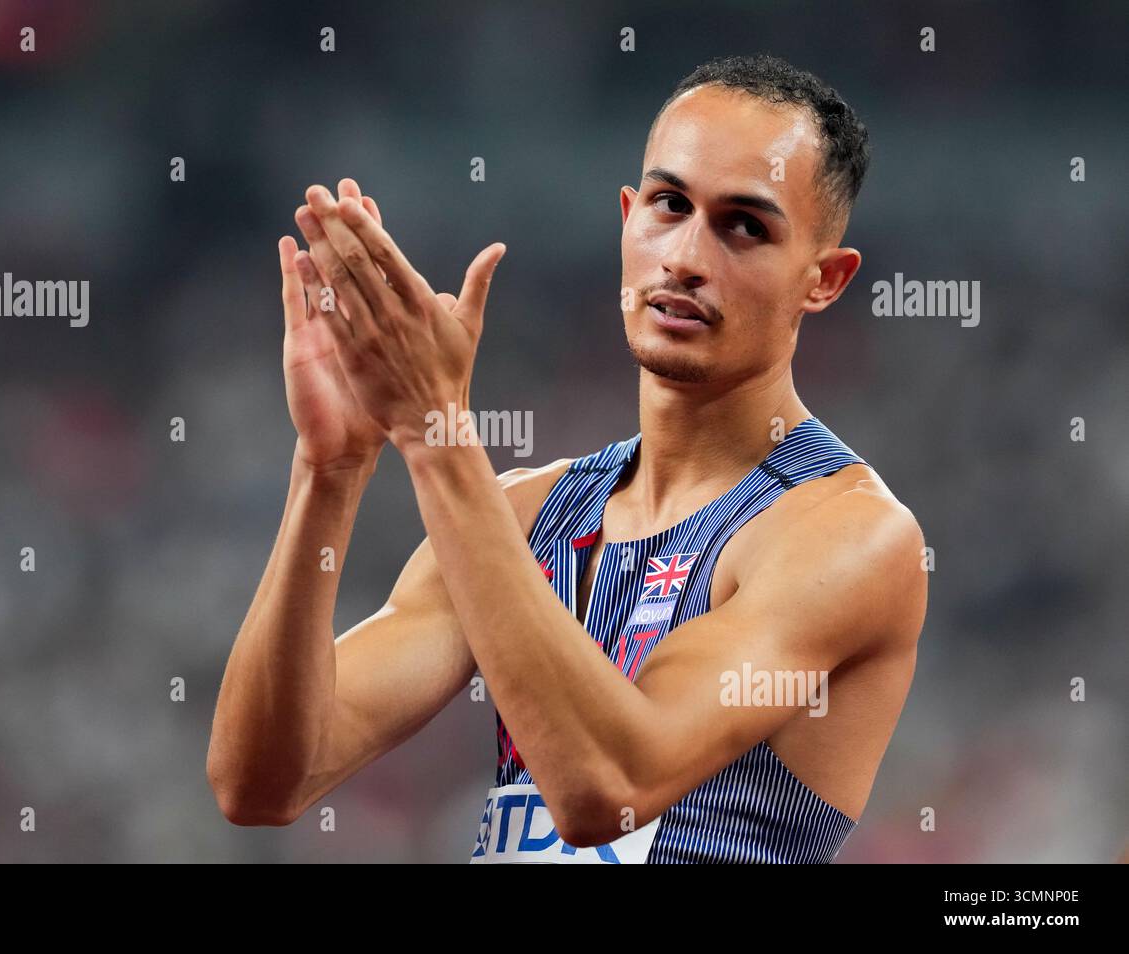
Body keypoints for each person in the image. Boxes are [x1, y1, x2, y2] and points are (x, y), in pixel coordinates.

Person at [208, 53, 928, 863]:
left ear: (823, 280)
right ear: (627, 217)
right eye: (668, 204)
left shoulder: (849, 537)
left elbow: (608, 790)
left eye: (745, 226)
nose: (686, 256)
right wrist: (330, 471)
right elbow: (260, 783)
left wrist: (435, 430)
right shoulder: (522, 515)